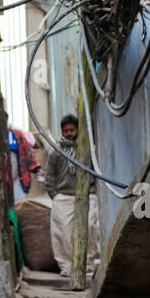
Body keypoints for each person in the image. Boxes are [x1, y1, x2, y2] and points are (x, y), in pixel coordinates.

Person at [43, 114, 100, 279]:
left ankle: (88, 263)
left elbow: (96, 172)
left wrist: (94, 191)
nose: (69, 133)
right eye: (66, 131)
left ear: (78, 130)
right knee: (63, 232)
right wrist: (55, 196)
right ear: (62, 131)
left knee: (90, 227)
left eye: (72, 130)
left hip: (88, 196)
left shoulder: (88, 150)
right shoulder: (56, 153)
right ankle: (67, 266)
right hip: (63, 197)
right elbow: (49, 178)